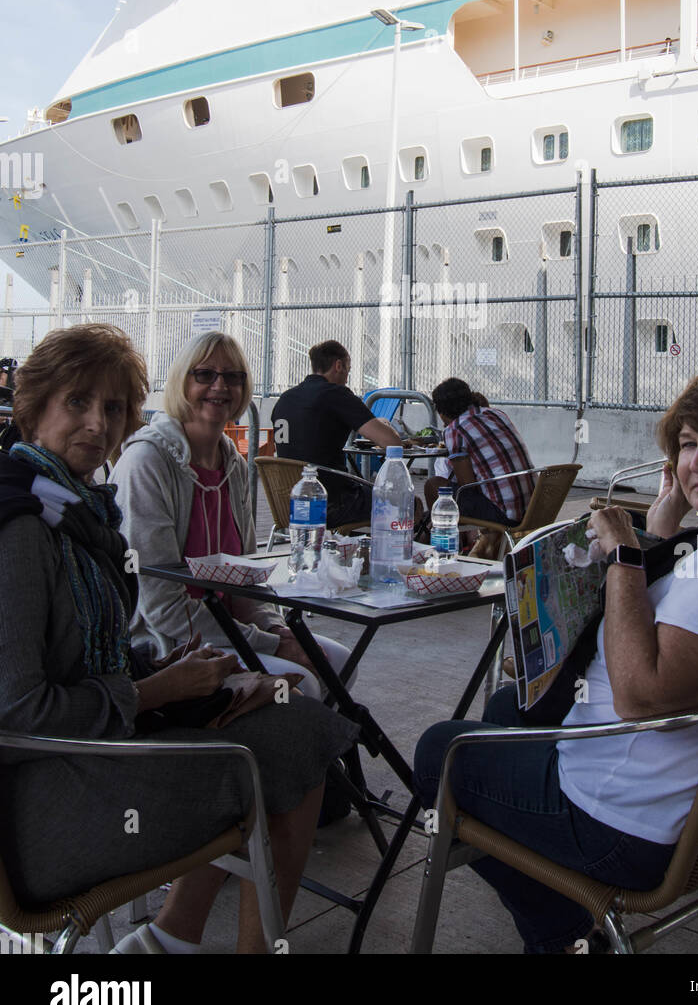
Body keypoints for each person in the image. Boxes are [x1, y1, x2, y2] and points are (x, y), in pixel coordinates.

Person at [415, 365, 698, 954]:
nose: (696, 463)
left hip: (622, 825)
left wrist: (625, 554)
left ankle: (559, 932)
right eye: (687, 445)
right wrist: (663, 531)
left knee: (438, 751)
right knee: (506, 705)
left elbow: (641, 695)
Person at [0, 324, 357, 954]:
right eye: (77, 402)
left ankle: (170, 941)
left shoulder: (74, 509)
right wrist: (156, 690)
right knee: (290, 748)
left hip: (94, 748)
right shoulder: (23, 530)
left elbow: (98, 651)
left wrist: (217, 675)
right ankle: (178, 938)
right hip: (42, 808)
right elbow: (19, 712)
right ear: (32, 410)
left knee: (291, 723)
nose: (98, 425)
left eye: (113, 408)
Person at [111, 332, 353, 702]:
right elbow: (161, 607)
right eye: (204, 374)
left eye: (233, 376)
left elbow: (243, 577)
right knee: (301, 681)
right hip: (167, 646)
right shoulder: (147, 463)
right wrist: (271, 644)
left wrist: (277, 630)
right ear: (181, 382)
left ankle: (310, 755)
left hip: (227, 626)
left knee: (340, 661)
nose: (220, 386)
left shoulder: (234, 465)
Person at [271, 339, 404, 527]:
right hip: (332, 503)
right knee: (406, 503)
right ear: (338, 365)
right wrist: (384, 424)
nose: (347, 378)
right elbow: (392, 442)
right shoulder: (336, 394)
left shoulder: (284, 400)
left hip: (290, 503)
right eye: (348, 371)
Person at [424, 378, 535, 527]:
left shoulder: (455, 430)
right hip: (533, 508)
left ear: (441, 411)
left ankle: (444, 539)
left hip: (505, 515)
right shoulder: (496, 414)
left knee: (433, 485)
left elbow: (467, 486)